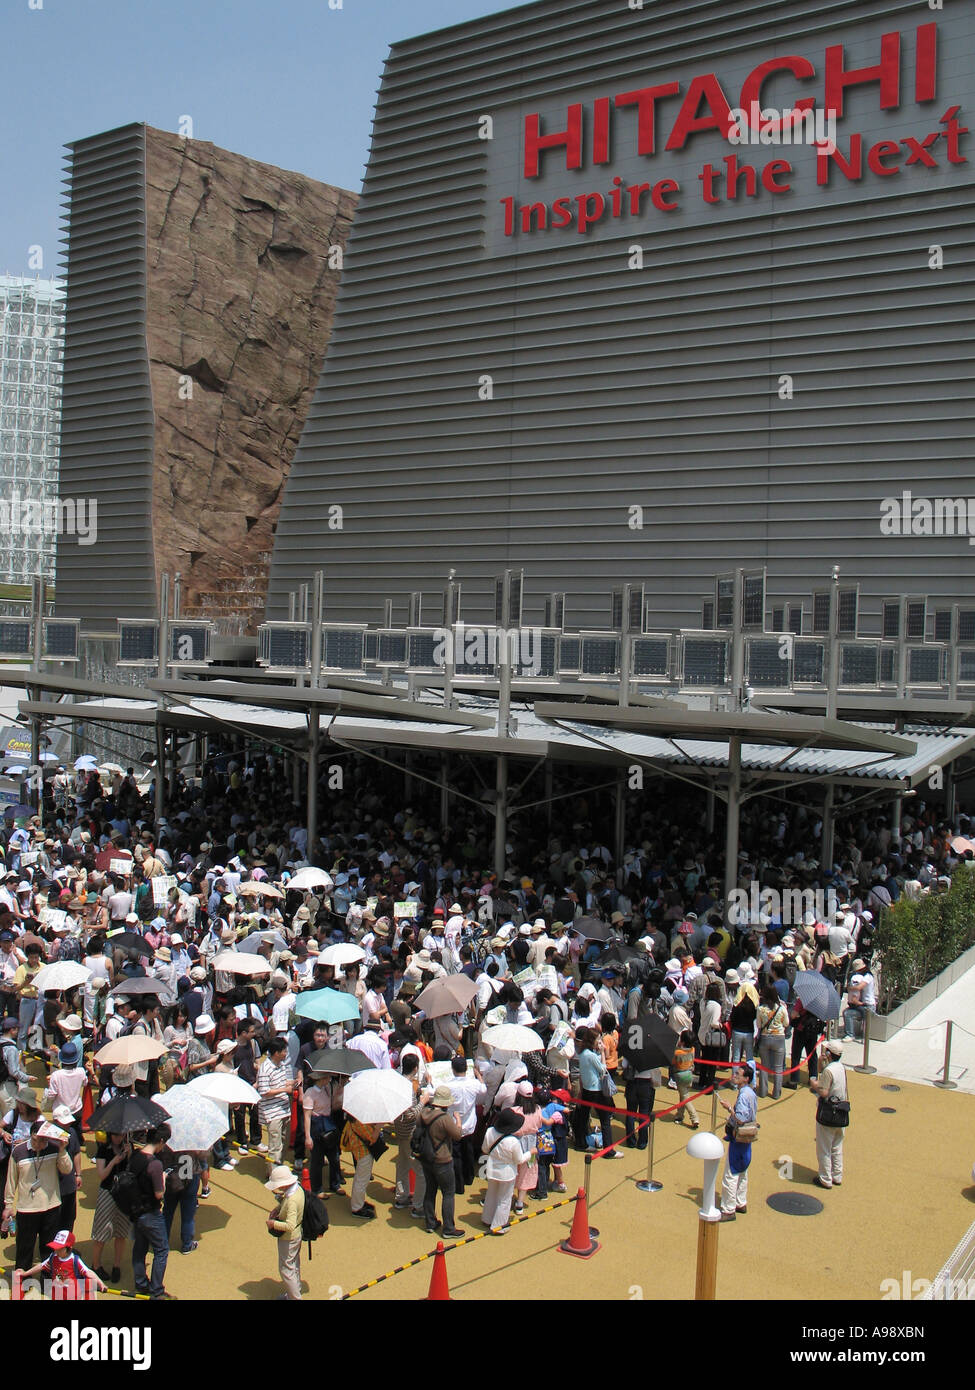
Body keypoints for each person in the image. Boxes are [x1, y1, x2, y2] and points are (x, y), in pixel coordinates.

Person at [2, 1118, 73, 1269]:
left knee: (48, 1250)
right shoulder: (19, 1151)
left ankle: (46, 1282)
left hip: (51, 1206)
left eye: (42, 1140)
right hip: (27, 1208)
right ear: (31, 1134)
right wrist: (8, 1205)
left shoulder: (55, 1148)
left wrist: (62, 1150)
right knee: (24, 1249)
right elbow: (11, 1180)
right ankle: (22, 1283)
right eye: (35, 1140)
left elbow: (67, 1169)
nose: (38, 1144)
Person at [129, 1124, 174, 1300]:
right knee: (161, 1250)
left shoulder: (135, 1156)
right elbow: (159, 1193)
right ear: (161, 1141)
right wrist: (163, 1178)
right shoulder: (155, 1164)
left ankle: (140, 1283)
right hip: (151, 1212)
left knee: (139, 1248)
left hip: (135, 1210)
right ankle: (157, 1291)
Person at [416, 1085, 464, 1237]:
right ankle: (449, 1228)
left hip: (426, 1158)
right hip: (442, 1159)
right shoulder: (444, 1119)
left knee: (430, 1190)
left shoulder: (423, 1113)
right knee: (448, 1193)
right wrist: (458, 1121)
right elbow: (457, 1135)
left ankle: (430, 1222)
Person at [480, 1108, 532, 1235]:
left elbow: (485, 1149)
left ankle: (487, 1218)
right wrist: (530, 1153)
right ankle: (499, 1225)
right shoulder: (513, 1141)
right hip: (507, 1172)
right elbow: (519, 1160)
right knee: (504, 1199)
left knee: (491, 1194)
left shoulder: (489, 1132)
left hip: (492, 1168)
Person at [91, 1130, 131, 1284]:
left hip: (123, 1193)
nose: (118, 1138)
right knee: (101, 1231)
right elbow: (101, 1174)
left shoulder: (128, 1147)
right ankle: (96, 1265)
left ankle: (117, 1265)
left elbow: (131, 1169)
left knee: (121, 1231)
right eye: (115, 1135)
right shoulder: (103, 1149)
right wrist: (114, 1161)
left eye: (120, 1135)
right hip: (107, 1191)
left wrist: (129, 1155)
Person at [718, 1063, 758, 1221]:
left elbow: (740, 1118)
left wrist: (729, 1109)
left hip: (740, 1136)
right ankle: (741, 1202)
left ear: (746, 1079)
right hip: (748, 1135)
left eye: (738, 1075)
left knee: (731, 1173)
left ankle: (728, 1209)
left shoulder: (743, 1095)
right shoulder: (750, 1093)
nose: (734, 1076)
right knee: (742, 1170)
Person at [810, 1039, 848, 1190]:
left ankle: (825, 1178)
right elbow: (822, 1071)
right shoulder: (841, 1068)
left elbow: (824, 1091)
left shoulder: (829, 1071)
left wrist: (814, 1085)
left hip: (828, 1111)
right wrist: (821, 1061)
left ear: (829, 1054)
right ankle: (837, 1175)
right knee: (837, 1146)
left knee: (824, 1147)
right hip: (841, 1110)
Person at [256, 1036, 297, 1174]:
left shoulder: (281, 1065)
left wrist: (294, 1083)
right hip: (272, 1112)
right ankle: (273, 1174)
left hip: (284, 1109)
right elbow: (264, 1091)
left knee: (284, 1141)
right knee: (275, 1144)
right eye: (284, 1051)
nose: (286, 1053)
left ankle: (278, 1168)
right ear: (276, 1053)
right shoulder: (265, 1068)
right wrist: (285, 1090)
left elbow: (283, 1082)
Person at [266, 1163, 305, 1301]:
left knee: (286, 1270)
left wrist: (273, 1223)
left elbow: (290, 1225)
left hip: (289, 1238)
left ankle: (295, 1297)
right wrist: (278, 1208)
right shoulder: (298, 1189)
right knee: (294, 1265)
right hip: (297, 1235)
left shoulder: (291, 1200)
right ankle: (294, 1292)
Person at [339, 1112, 382, 1219]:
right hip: (363, 1152)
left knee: (361, 1178)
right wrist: (379, 1127)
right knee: (361, 1180)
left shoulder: (353, 1120)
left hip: (360, 1151)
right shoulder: (360, 1122)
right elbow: (372, 1139)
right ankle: (357, 1207)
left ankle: (359, 1202)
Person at [756, 984, 789, 1100]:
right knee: (778, 1067)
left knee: (764, 1066)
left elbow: (759, 1025)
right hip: (779, 1037)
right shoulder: (781, 1008)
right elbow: (786, 1023)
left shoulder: (761, 1009)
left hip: (765, 1037)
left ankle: (763, 1091)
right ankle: (776, 1093)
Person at [842, 959, 876, 1041]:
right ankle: (850, 1034)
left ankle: (857, 1035)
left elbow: (859, 987)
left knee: (852, 1014)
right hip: (862, 1004)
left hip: (868, 1005)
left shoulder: (868, 977)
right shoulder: (861, 977)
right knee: (847, 1013)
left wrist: (849, 988)